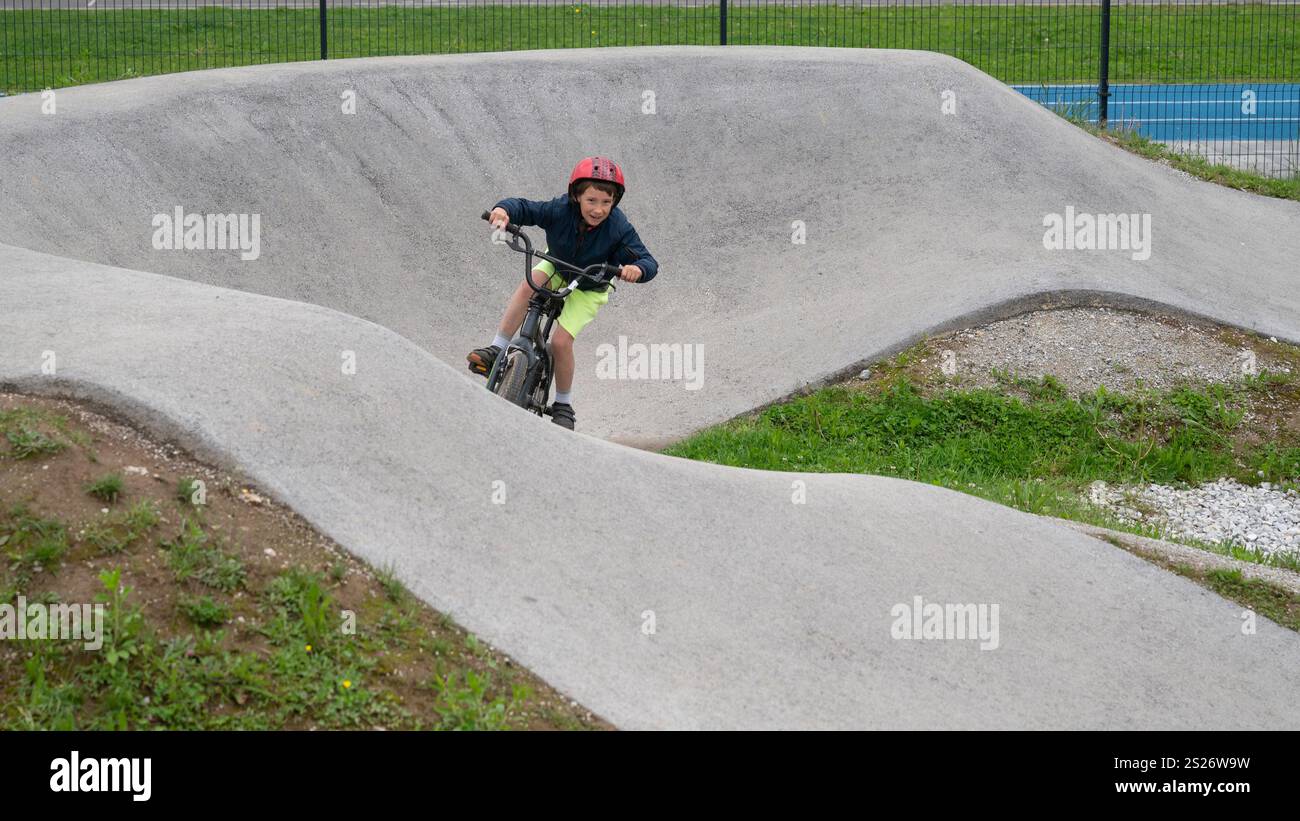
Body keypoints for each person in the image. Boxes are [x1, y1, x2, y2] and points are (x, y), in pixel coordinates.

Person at [469, 156, 659, 430]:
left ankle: (563, 403)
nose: (598, 209)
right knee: (529, 285)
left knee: (560, 342)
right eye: (591, 200)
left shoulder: (618, 229)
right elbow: (525, 208)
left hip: (590, 283)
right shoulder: (560, 210)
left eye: (606, 203)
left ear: (614, 203)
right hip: (558, 264)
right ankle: (495, 348)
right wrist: (503, 211)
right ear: (576, 196)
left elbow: (648, 261)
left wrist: (637, 270)